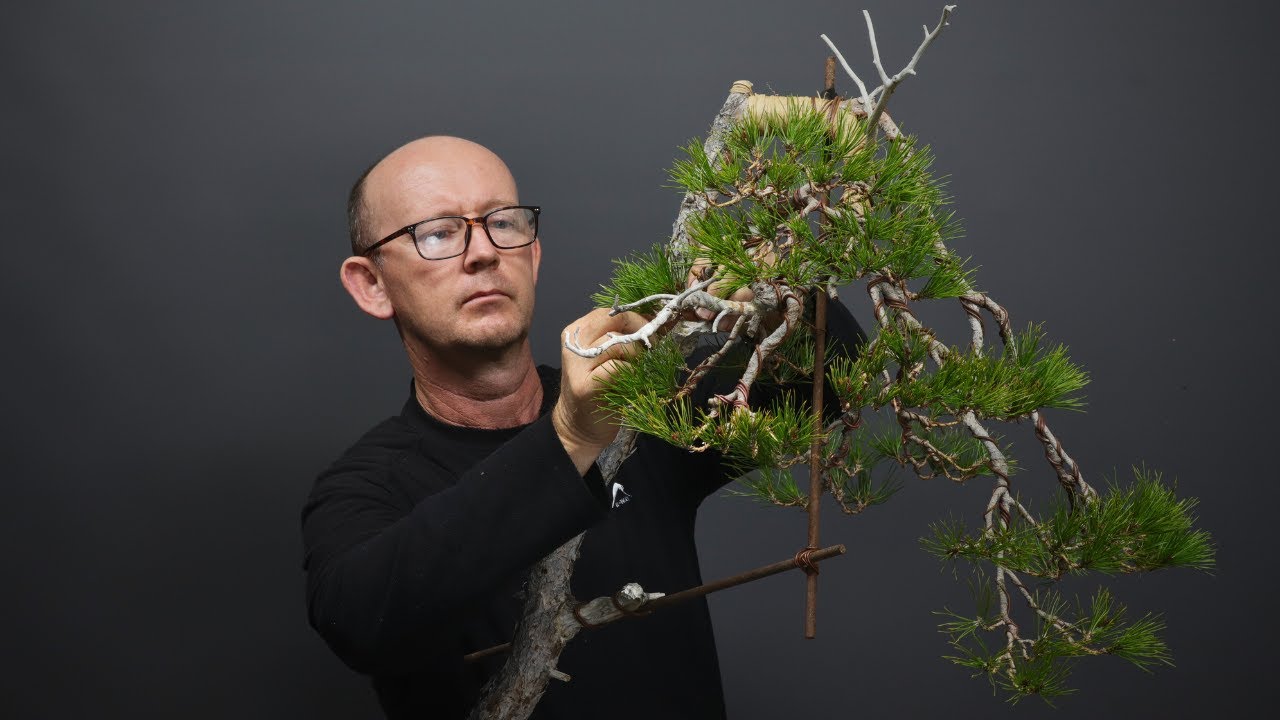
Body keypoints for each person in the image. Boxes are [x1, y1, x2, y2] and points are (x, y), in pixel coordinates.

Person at [301, 135, 865, 719]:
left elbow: (838, 376)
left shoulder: (638, 402)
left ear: (533, 253)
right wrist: (570, 436)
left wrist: (773, 302)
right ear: (371, 284)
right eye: (439, 232)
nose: (484, 252)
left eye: (504, 222)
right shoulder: (365, 486)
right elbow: (361, 621)